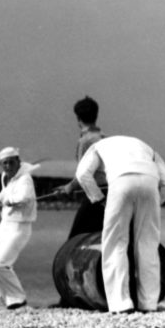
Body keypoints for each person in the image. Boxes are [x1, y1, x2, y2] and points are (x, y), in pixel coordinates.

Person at [74, 135, 165, 313]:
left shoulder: (98, 146)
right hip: (150, 183)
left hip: (120, 183)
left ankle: (121, 304)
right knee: (148, 245)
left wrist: (98, 199)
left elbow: (83, 174)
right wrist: (153, 205)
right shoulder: (146, 146)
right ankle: (149, 304)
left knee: (115, 244)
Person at [0, 147, 38, 311]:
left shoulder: (25, 178)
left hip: (20, 226)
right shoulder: (6, 177)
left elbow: (23, 198)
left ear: (18, 161)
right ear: (1, 165)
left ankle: (18, 300)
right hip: (5, 224)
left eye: (11, 162)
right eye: (4, 163)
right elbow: (5, 192)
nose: (8, 166)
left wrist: (6, 202)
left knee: (0, 265)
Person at [55, 96, 107, 237]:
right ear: (95, 116)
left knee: (74, 239)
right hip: (110, 193)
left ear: (78, 119)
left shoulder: (85, 141)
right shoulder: (105, 137)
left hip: (95, 196)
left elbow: (83, 174)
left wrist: (69, 187)